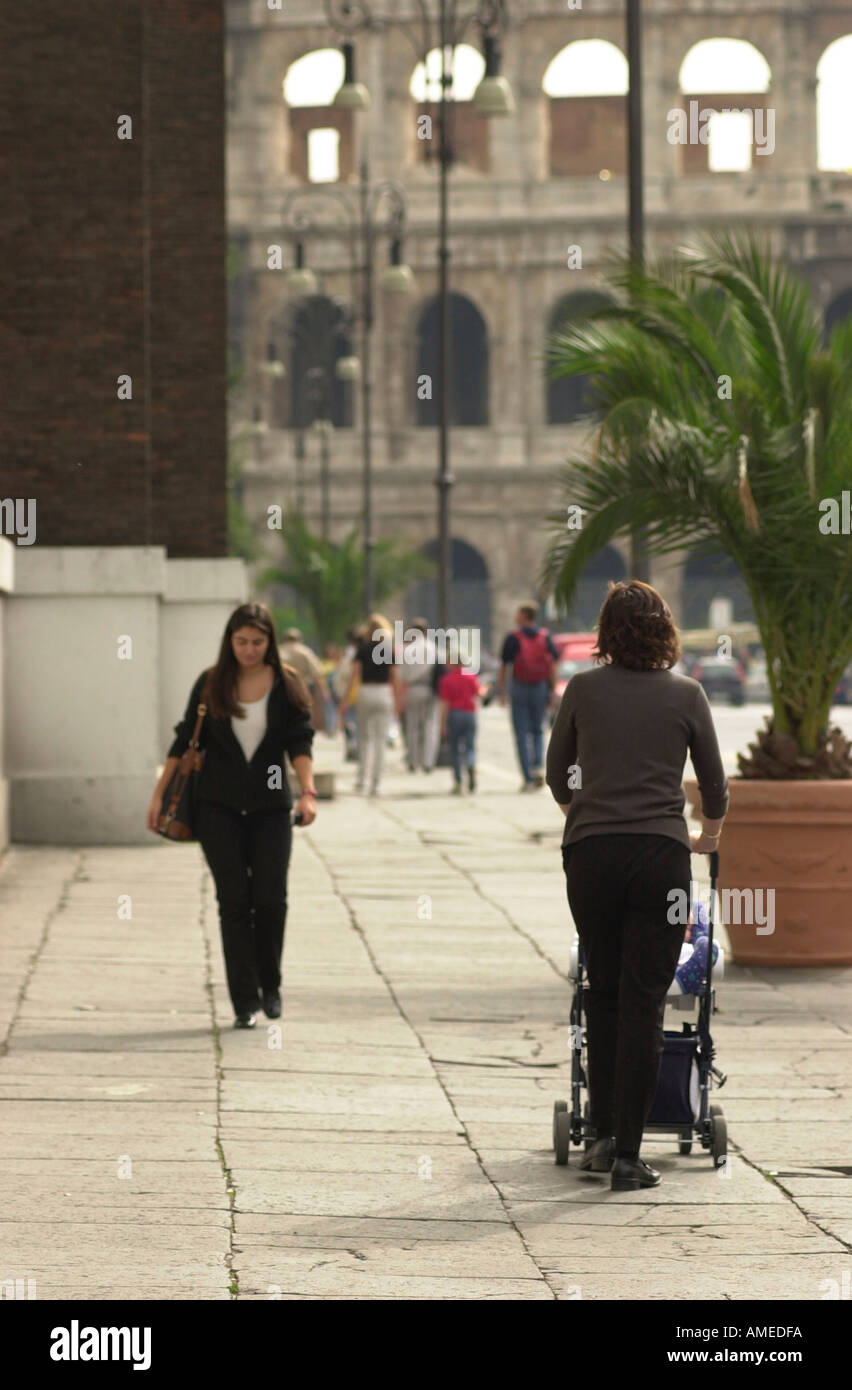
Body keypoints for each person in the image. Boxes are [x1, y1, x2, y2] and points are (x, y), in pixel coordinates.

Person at [545, 580, 728, 1192]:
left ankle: (597, 1136)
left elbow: (556, 774)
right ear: (665, 629)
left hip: (591, 854)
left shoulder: (583, 688)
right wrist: (708, 835)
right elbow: (714, 785)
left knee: (603, 991)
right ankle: (627, 1153)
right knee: (647, 1000)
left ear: (606, 630)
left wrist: (585, 807)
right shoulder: (688, 693)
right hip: (661, 859)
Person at [146, 602, 318, 1029]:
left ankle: (270, 984)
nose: (249, 649)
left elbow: (300, 741)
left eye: (257, 642)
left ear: (269, 642)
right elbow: (186, 739)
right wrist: (158, 794)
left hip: (272, 806)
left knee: (270, 899)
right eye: (241, 641)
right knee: (234, 902)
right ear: (230, 641)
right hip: (217, 808)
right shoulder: (211, 683)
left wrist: (308, 793)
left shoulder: (286, 683)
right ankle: (244, 999)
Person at [339, 612, 403, 797]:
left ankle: (361, 779)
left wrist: (345, 699)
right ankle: (376, 784)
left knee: (364, 738)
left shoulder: (363, 649)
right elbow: (395, 677)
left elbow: (354, 676)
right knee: (380, 740)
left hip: (365, 691)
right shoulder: (388, 649)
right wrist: (398, 700)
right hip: (383, 692)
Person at [498, 601, 559, 791]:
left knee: (521, 733)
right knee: (538, 730)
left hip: (520, 686)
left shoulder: (513, 638)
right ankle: (539, 766)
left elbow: (504, 666)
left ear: (524, 616)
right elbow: (553, 665)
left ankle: (527, 777)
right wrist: (552, 689)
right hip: (540, 687)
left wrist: (502, 691)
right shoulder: (545, 636)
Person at [438, 659, 487, 794]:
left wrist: (442, 724)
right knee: (470, 747)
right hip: (469, 714)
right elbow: (480, 694)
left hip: (454, 714)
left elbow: (445, 704)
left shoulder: (447, 679)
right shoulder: (470, 676)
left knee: (455, 750)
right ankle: (470, 764)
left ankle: (458, 782)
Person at [398, 617, 440, 773]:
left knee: (412, 727)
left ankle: (413, 761)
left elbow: (402, 676)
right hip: (429, 688)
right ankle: (428, 762)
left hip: (413, 689)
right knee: (430, 725)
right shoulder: (433, 648)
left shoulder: (408, 650)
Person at [278, 628, 332, 734]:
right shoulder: (305, 652)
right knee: (302, 714)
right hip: (302, 687)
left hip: (282, 686)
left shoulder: (279, 650)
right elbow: (317, 673)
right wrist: (324, 690)